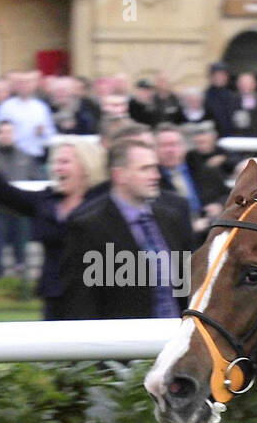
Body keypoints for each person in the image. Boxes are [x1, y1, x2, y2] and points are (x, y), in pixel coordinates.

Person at [0, 124, 106, 319]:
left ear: (86, 166)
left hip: (95, 298)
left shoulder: (104, 201)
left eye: (65, 162)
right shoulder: (46, 200)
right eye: (56, 162)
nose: (57, 167)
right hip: (54, 297)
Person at [57, 137, 193, 319]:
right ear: (120, 175)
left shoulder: (171, 219)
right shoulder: (88, 227)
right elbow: (80, 301)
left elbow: (188, 285)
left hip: (177, 339)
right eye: (145, 169)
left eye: (155, 168)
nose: (156, 176)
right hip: (122, 342)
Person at [0, 121, 42, 278]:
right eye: (3, 132)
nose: (6, 135)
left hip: (19, 208)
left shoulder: (25, 156)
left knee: (20, 238)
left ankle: (20, 275)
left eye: (9, 132)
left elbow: (37, 178)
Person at [155, 124, 227, 240]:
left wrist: (219, 205)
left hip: (212, 230)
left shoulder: (204, 170)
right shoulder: (153, 178)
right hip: (176, 237)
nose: (170, 150)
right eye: (163, 145)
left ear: (184, 147)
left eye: (174, 144)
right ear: (154, 149)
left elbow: (227, 195)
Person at [0, 71, 55, 164]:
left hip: (36, 156)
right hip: (12, 157)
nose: (24, 86)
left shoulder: (41, 107)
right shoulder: (5, 107)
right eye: (21, 83)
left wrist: (43, 131)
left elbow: (51, 132)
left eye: (28, 82)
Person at [229, 72, 257, 139]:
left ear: (255, 84)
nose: (246, 86)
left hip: (255, 141)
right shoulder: (231, 102)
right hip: (236, 141)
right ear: (238, 84)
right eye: (243, 83)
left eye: (249, 83)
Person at [204, 62, 240, 137]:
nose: (219, 77)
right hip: (210, 138)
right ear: (210, 77)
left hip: (231, 138)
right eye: (216, 75)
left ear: (226, 77)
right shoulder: (204, 97)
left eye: (222, 75)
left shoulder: (234, 97)